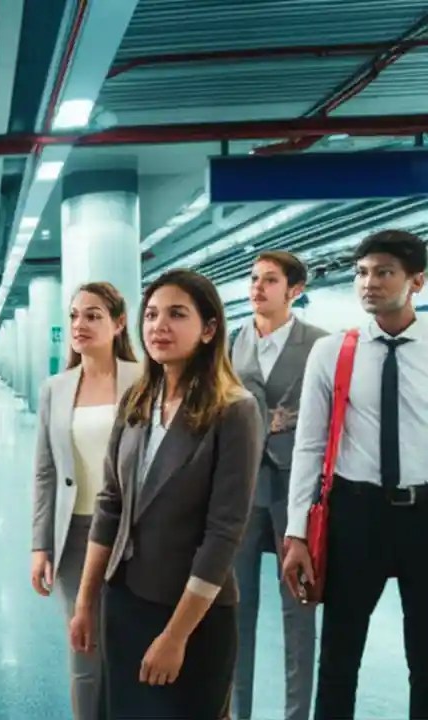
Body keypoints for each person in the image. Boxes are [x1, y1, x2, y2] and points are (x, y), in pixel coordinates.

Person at [69, 268, 263, 719]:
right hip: (125, 602)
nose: (159, 325)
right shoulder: (138, 401)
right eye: (152, 314)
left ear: (209, 328)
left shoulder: (234, 411)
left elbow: (224, 533)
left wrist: (176, 637)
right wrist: (86, 602)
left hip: (190, 614)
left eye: (177, 314)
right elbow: (110, 505)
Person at [282, 229, 428, 719]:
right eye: (362, 273)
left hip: (424, 514)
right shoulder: (333, 352)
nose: (369, 283)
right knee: (340, 655)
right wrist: (296, 532)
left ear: (417, 282)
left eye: (385, 272)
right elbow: (309, 444)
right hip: (355, 514)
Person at [31, 281, 142, 720]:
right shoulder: (55, 388)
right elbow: (45, 471)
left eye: (93, 315)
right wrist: (41, 544)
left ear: (118, 324)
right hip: (75, 533)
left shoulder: (146, 378)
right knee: (84, 650)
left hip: (137, 533)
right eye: (75, 315)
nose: (80, 324)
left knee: (131, 644)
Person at [228, 251, 327, 720]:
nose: (257, 288)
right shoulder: (231, 343)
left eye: (269, 280)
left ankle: (295, 714)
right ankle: (235, 711)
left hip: (299, 494)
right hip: (242, 491)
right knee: (234, 610)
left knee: (299, 613)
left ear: (295, 290)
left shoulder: (321, 346)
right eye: (253, 279)